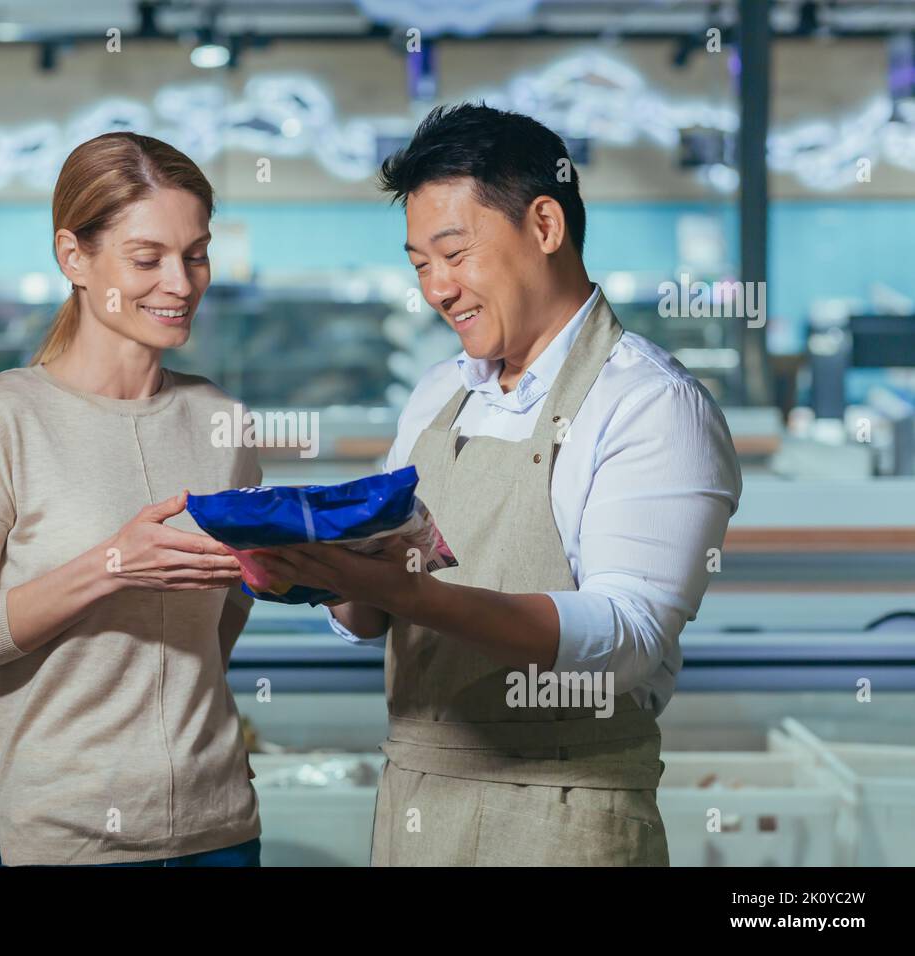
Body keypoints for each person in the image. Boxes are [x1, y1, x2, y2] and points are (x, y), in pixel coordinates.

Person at [253, 104, 743, 866]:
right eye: (420, 264)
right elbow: (371, 616)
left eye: (454, 253)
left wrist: (410, 592)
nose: (437, 289)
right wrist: (321, 570)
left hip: (564, 813)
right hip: (416, 806)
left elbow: (629, 639)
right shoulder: (436, 397)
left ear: (545, 225)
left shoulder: (648, 402)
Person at [0, 132, 263, 867]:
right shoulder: (0, 416)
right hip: (63, 842)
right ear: (74, 257)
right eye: (147, 258)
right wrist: (111, 565)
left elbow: (222, 619)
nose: (181, 282)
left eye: (196, 254)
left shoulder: (219, 421)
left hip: (220, 832)